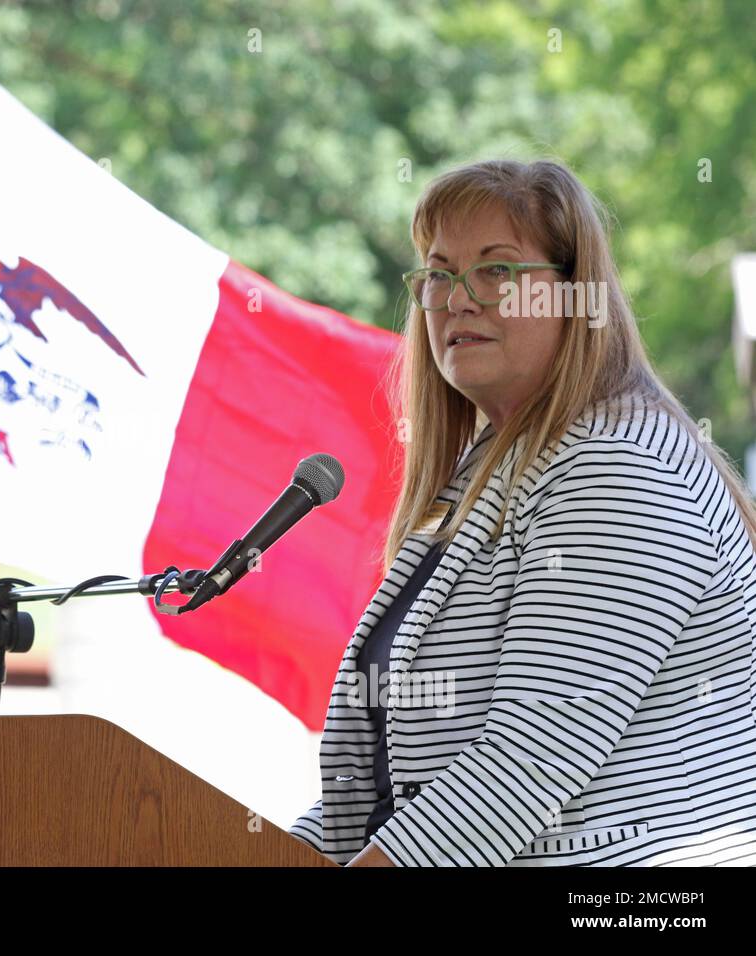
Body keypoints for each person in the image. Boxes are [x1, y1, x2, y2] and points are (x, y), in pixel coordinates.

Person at [289, 158, 756, 866]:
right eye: (439, 274)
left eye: (497, 270)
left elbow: (525, 762)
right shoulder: (497, 467)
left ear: (574, 295)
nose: (460, 298)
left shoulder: (618, 468)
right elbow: (388, 784)